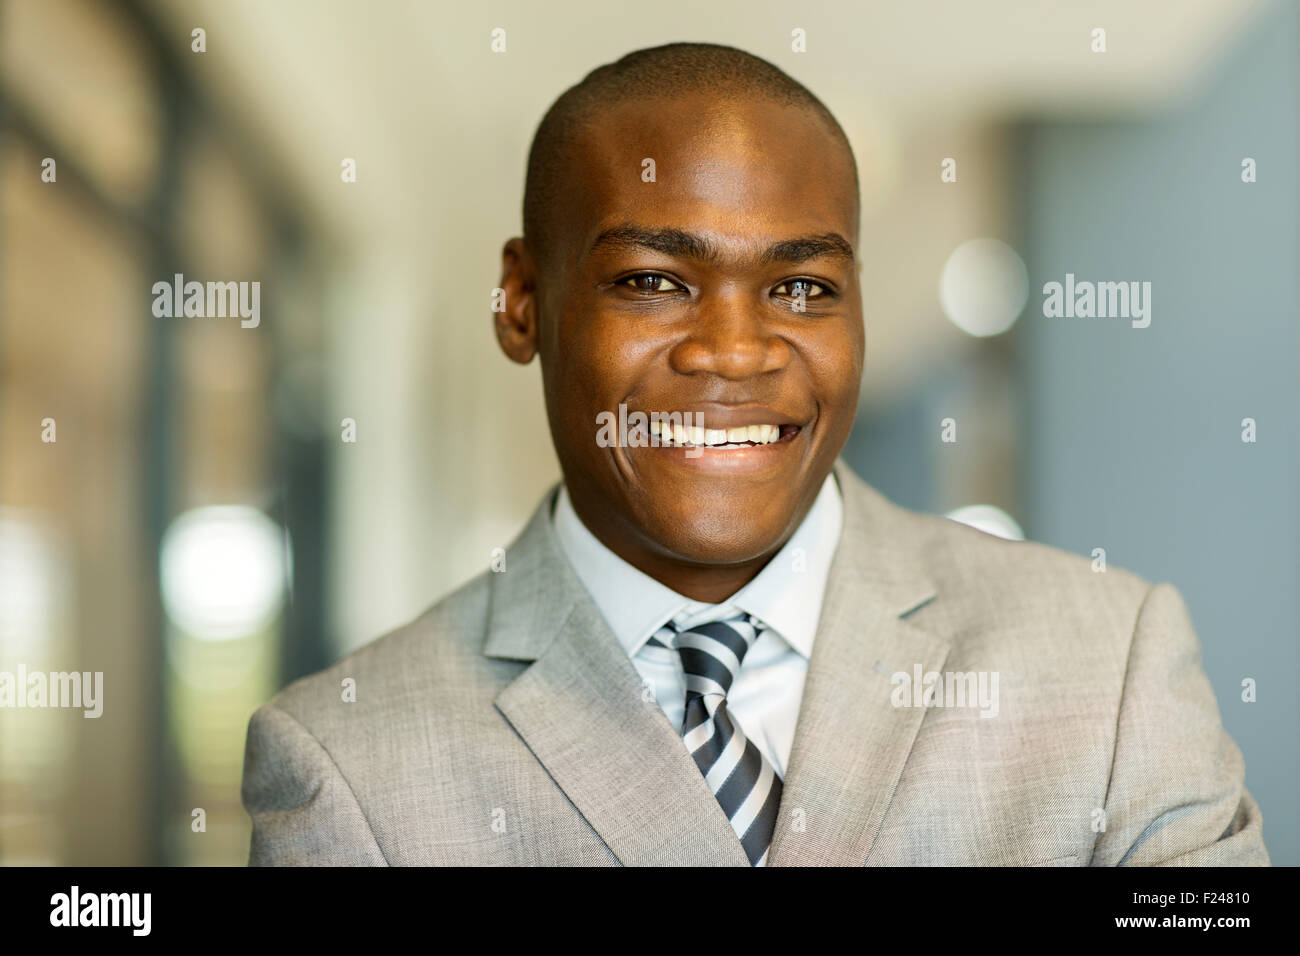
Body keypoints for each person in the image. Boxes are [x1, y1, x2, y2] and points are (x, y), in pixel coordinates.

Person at [240, 42, 1268, 866]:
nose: (733, 350)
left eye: (802, 288)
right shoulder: (351, 764)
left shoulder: (1108, 660)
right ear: (521, 301)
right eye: (651, 281)